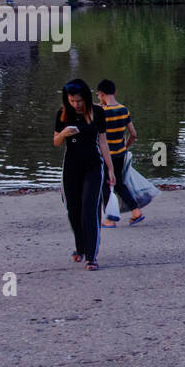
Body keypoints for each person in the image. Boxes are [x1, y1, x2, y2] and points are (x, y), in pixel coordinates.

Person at [52, 79, 115, 271]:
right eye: (72, 101)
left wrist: (110, 169)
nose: (76, 105)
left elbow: (103, 142)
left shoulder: (97, 113)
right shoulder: (63, 114)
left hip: (93, 166)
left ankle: (91, 256)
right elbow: (55, 141)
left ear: (86, 98)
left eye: (79, 101)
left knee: (89, 208)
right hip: (71, 167)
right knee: (73, 210)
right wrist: (64, 133)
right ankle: (79, 246)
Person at [96, 79, 143, 227]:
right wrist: (125, 147)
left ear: (101, 94)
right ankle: (136, 211)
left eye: (98, 94)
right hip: (120, 154)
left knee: (105, 184)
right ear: (115, 92)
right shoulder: (123, 109)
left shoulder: (101, 112)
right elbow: (133, 134)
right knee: (118, 183)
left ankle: (109, 219)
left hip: (106, 154)